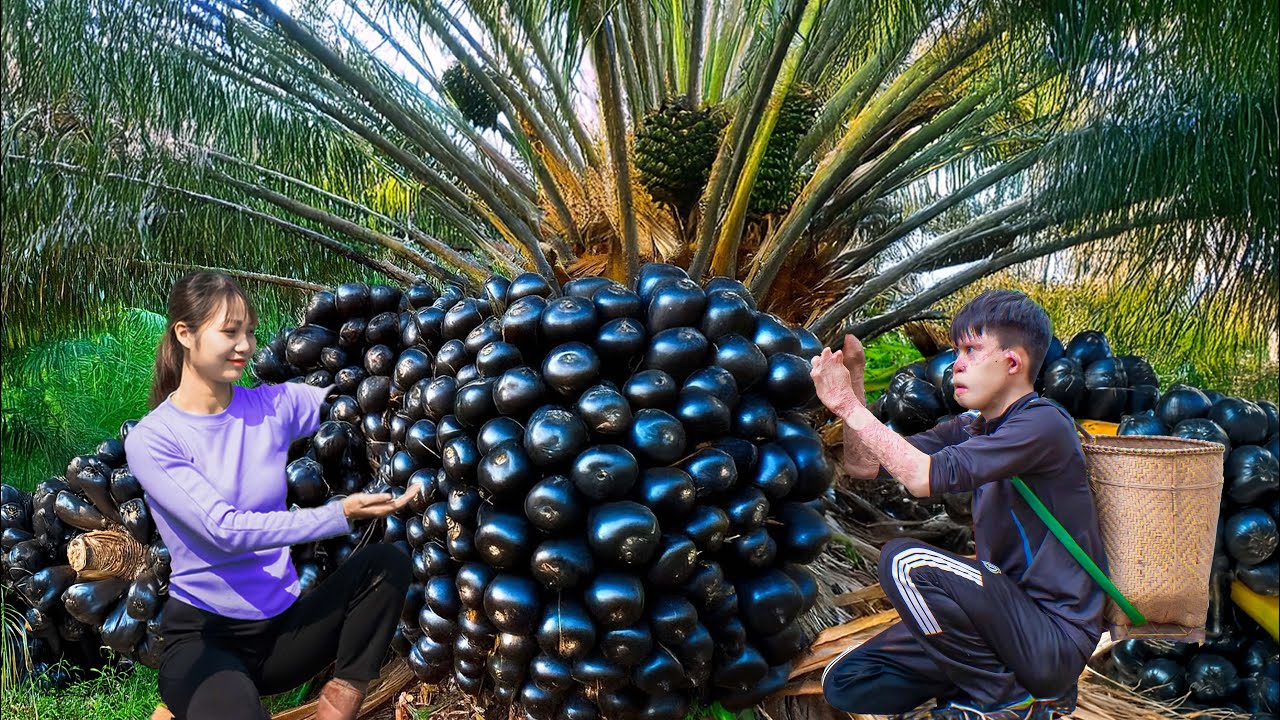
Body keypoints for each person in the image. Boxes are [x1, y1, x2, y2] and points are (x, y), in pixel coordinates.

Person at [124, 272, 418, 720]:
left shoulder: (269, 407)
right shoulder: (154, 439)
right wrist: (338, 513)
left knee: (386, 566)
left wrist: (406, 379)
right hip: (205, 644)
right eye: (229, 332)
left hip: (282, 633)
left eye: (250, 331)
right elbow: (224, 530)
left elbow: (345, 393)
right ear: (185, 334)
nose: (244, 345)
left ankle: (340, 702)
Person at [810, 290, 1107, 720]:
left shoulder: (1043, 423)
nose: (957, 365)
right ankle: (996, 688)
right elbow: (864, 465)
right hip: (997, 626)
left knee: (903, 563)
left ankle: (1006, 701)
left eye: (970, 350)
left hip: (1051, 636)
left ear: (1012, 362)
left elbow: (920, 476)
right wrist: (854, 386)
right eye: (956, 352)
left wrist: (847, 406)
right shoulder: (973, 426)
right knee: (849, 681)